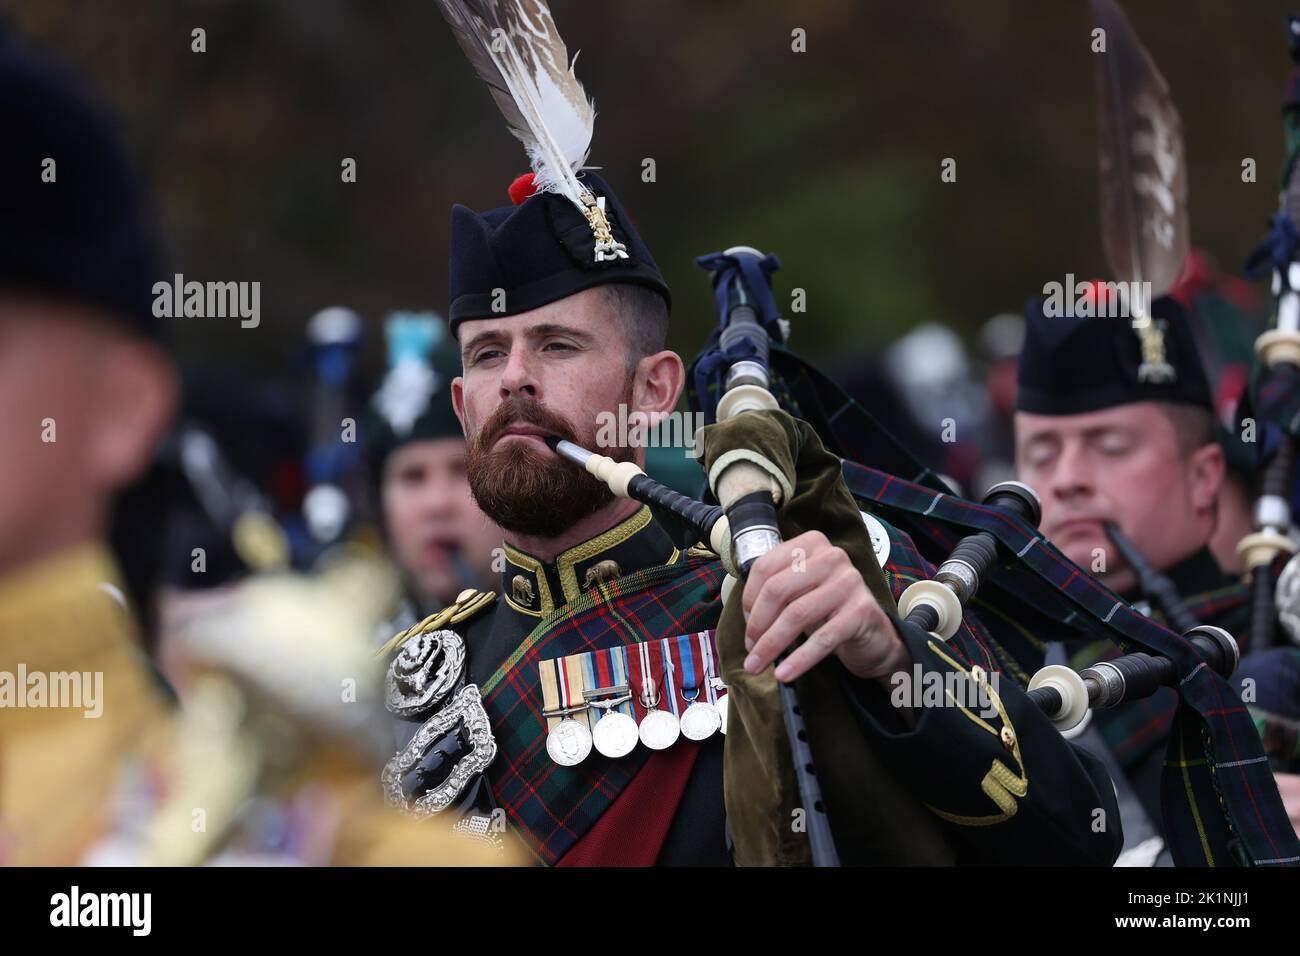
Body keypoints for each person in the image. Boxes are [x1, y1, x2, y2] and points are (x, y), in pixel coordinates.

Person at [375, 150, 1124, 865]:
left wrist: (891, 661)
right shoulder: (409, 685)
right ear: (463, 407)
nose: (515, 379)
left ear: (655, 392)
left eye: (557, 346)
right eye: (486, 355)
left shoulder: (800, 590)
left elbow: (1078, 835)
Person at [1013, 293, 1300, 857]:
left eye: (1110, 445)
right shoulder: (985, 664)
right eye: (1042, 453)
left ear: (1204, 477)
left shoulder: (1280, 655)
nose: (1067, 479)